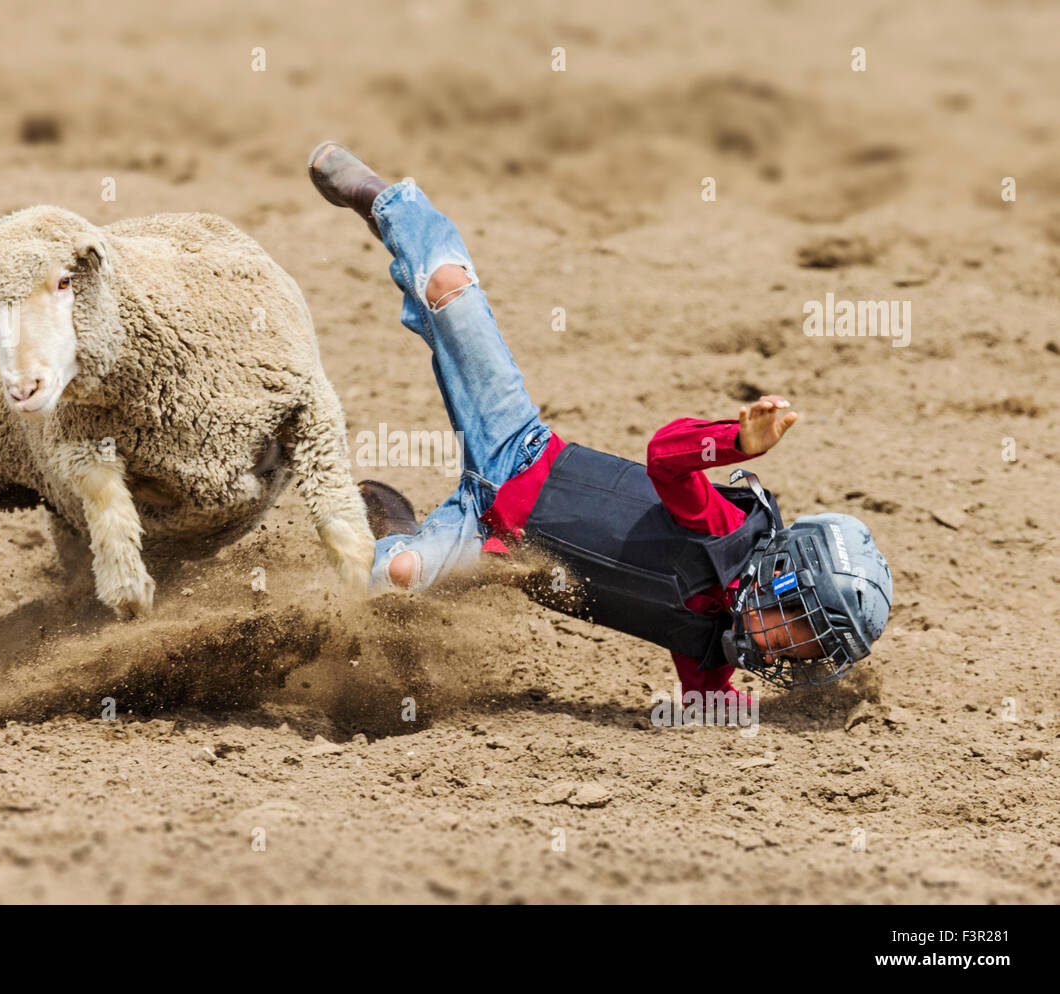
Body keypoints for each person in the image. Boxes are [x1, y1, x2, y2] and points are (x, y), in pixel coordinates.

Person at [308, 142, 893, 695]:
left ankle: (394, 524)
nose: (792, 659)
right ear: (786, 579)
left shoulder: (710, 647)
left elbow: (706, 699)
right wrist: (736, 441)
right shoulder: (722, 530)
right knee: (447, 292)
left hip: (488, 539)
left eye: (809, 657)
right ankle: (388, 205)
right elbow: (666, 456)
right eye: (803, 638)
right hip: (516, 448)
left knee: (393, 576)